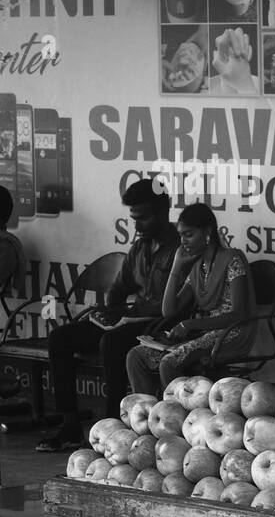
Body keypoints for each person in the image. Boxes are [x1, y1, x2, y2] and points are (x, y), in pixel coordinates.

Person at [36, 179, 178, 452]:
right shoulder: (140, 248)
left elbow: (177, 305)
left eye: (144, 218)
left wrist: (129, 316)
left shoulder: (181, 249)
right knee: (60, 338)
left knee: (111, 342)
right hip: (129, 319)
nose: (138, 225)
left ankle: (111, 423)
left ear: (164, 212)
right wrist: (108, 311)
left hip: (160, 325)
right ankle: (70, 425)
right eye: (134, 218)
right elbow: (120, 288)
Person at [125, 204, 253, 393]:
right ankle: (147, 413)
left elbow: (239, 314)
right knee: (136, 355)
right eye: (181, 235)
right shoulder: (199, 267)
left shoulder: (232, 260)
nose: (183, 241)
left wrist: (190, 325)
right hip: (204, 333)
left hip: (231, 333)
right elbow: (168, 311)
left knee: (169, 363)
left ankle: (176, 416)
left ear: (208, 231)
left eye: (189, 234)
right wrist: (177, 266)